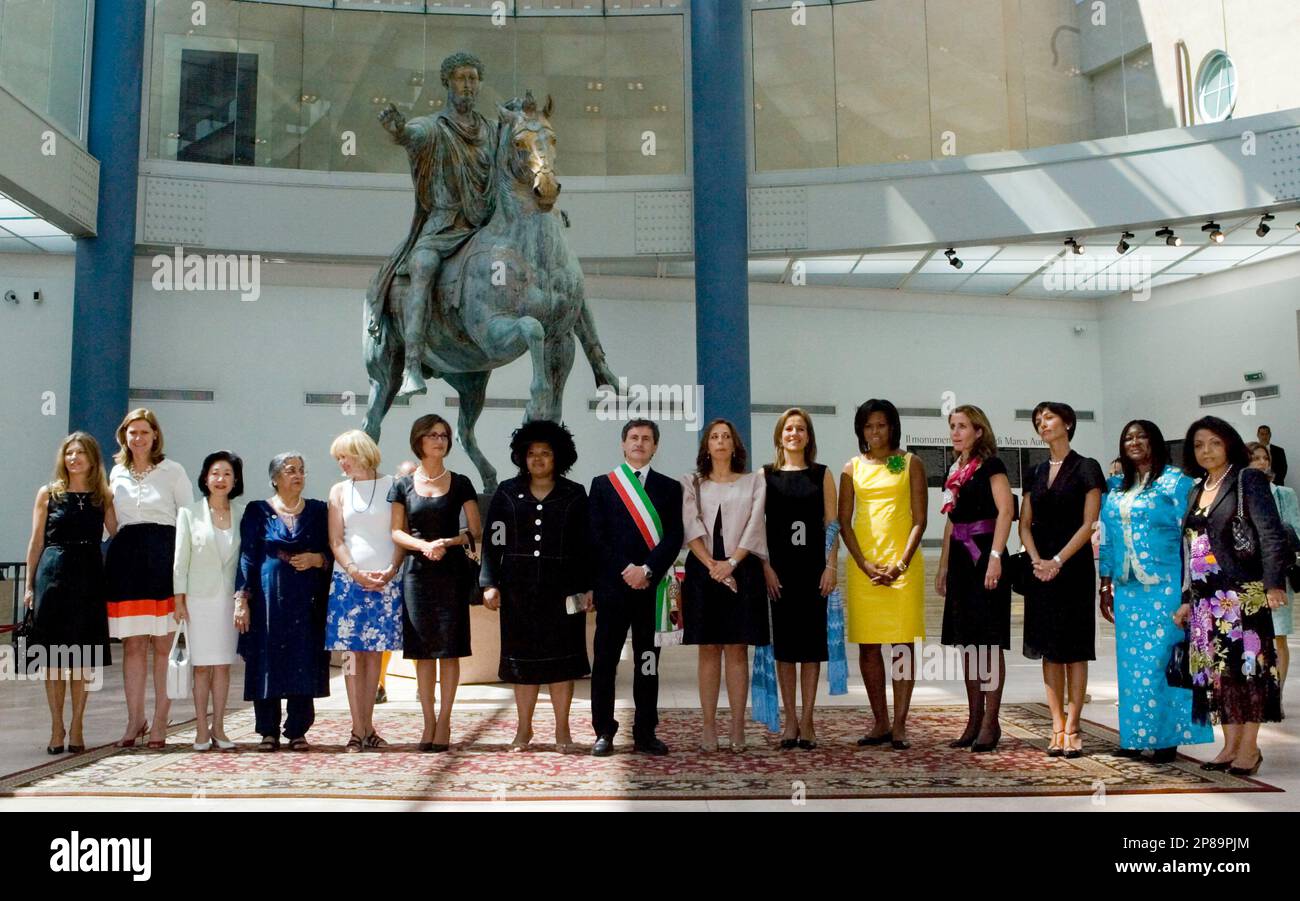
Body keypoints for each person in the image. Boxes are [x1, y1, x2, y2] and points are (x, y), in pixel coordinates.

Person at [369, 51, 497, 398]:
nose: (468, 85)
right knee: (422, 266)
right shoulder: (433, 126)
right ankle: (412, 365)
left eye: (473, 78)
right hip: (444, 225)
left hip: (485, 227)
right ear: (447, 82)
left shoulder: (492, 131)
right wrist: (398, 129)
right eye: (461, 78)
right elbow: (411, 135)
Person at [1178, 418, 1288, 775]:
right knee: (1217, 676)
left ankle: (1249, 750)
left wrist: (1273, 585)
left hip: (1242, 594)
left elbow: (1271, 534)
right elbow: (1190, 548)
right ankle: (1229, 747)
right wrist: (1186, 598)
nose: (1206, 450)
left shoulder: (1247, 479)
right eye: (1198, 445)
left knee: (1248, 672)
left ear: (1229, 444)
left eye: (1214, 443)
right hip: (1204, 601)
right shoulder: (1196, 489)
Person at [1098, 421, 1212, 762]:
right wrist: (1105, 583)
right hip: (1128, 591)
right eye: (1128, 438)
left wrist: (1190, 591)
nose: (1134, 442)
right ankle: (1134, 737)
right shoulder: (1116, 487)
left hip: (1166, 588)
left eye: (1141, 436)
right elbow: (1106, 537)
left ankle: (1166, 737)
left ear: (1156, 442)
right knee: (1132, 667)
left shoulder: (1176, 482)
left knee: (1163, 663)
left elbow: (1194, 536)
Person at [481, 420, 591, 752]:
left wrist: (588, 587)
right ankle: (523, 730)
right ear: (522, 457)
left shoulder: (575, 493)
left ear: (559, 457)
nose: (538, 459)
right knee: (522, 663)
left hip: (565, 590)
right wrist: (489, 582)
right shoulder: (506, 492)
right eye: (532, 453)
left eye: (545, 453)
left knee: (563, 662)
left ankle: (562, 731)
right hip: (518, 589)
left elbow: (586, 544)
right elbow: (493, 540)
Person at [588, 419, 684, 757]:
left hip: (651, 589)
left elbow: (675, 536)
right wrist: (625, 569)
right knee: (605, 662)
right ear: (622, 444)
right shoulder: (602, 485)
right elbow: (595, 536)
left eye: (646, 439)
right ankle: (603, 731)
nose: (639, 443)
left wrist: (647, 569)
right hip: (613, 589)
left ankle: (645, 731)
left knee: (647, 661)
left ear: (655, 446)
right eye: (633, 438)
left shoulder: (670, 488)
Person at [1020, 401, 1106, 759]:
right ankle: (1055, 725)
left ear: (1068, 422)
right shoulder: (1036, 470)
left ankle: (1074, 724)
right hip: (1041, 569)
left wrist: (1057, 560)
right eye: (1038, 421)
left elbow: (1089, 524)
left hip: (1073, 568)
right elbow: (1024, 523)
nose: (1043, 424)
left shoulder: (1087, 467)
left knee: (1073, 650)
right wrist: (1038, 559)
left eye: (1049, 418)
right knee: (1049, 651)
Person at [840, 399, 927, 750]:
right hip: (865, 568)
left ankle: (902, 723)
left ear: (892, 427)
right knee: (868, 645)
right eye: (868, 426)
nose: (875, 432)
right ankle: (880, 721)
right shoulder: (853, 468)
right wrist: (863, 563)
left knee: (902, 642)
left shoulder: (908, 462)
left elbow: (920, 519)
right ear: (861, 430)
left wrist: (901, 563)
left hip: (902, 568)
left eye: (881, 425)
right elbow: (844, 521)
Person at [105, 409, 193, 749]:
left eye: (144, 432)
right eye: (132, 432)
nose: (138, 438)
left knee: (163, 646)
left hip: (164, 558)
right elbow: (110, 523)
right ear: (124, 437)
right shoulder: (116, 473)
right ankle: (134, 720)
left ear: (155, 435)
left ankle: (160, 721)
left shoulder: (173, 471)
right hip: (127, 561)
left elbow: (187, 519)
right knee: (134, 645)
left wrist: (184, 572)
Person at [390, 417, 480, 752]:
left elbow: (475, 530)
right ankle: (427, 720)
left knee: (449, 649)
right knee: (422, 652)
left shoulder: (461, 482)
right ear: (419, 441)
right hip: (416, 573)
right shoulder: (402, 484)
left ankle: (445, 720)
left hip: (451, 572)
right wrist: (423, 545)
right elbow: (396, 532)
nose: (439, 440)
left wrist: (449, 540)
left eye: (444, 435)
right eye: (432, 435)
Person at [23, 433, 116, 754]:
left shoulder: (102, 496)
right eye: (69, 453)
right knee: (52, 660)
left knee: (81, 660)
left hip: (88, 579)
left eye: (80, 453)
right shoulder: (48, 494)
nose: (74, 458)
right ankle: (55, 726)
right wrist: (28, 585)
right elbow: (36, 542)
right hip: (52, 575)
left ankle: (77, 725)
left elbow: (117, 532)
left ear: (92, 459)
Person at [681, 419, 768, 752]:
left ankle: (736, 727)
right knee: (708, 650)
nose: (719, 441)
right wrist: (713, 566)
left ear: (735, 445)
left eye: (726, 437)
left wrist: (731, 563)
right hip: (704, 570)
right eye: (714, 437)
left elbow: (755, 524)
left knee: (736, 649)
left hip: (742, 571)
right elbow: (690, 524)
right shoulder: (691, 482)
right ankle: (708, 727)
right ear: (706, 446)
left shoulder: (753, 482)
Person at [235, 453, 332, 752]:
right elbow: (248, 556)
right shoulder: (257, 511)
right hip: (268, 599)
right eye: (290, 470)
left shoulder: (317, 511)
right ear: (275, 477)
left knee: (303, 659)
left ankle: (298, 730)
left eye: (301, 470)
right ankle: (268, 731)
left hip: (306, 599)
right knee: (267, 659)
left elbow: (333, 548)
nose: (298, 475)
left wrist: (318, 559)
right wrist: (242, 599)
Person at [934, 405, 1014, 753]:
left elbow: (1006, 510)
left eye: (962, 426)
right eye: (952, 426)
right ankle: (972, 717)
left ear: (978, 431)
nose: (956, 431)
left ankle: (990, 722)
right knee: (968, 644)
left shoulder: (991, 465)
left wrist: (996, 557)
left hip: (986, 555)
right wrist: (943, 566)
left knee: (989, 642)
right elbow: (952, 520)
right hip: (962, 562)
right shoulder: (955, 470)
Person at [762, 408, 837, 750]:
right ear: (780, 435)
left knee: (810, 648)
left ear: (809, 436)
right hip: (779, 572)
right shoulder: (765, 475)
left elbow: (832, 525)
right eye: (789, 428)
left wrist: (831, 565)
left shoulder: (822, 475)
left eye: (801, 429)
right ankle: (789, 718)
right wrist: (765, 566)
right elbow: (756, 526)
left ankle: (808, 718)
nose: (794, 433)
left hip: (812, 570)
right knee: (786, 649)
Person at [326, 431, 404, 752]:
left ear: (362, 453)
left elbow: (400, 533)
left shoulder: (394, 486)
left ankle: (368, 726)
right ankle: (356, 728)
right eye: (338, 458)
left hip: (385, 580)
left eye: (345, 456)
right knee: (350, 656)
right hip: (348, 583)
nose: (341, 463)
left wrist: (392, 569)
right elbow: (336, 540)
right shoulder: (338, 491)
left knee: (374, 655)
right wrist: (354, 572)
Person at [173, 451, 245, 752]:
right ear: (205, 478)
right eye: (215, 473)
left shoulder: (243, 513)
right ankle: (201, 727)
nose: (220, 479)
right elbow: (180, 561)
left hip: (230, 601)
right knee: (202, 667)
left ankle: (220, 727)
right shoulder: (189, 513)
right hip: (198, 600)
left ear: (235, 480)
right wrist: (179, 600)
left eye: (227, 474)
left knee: (223, 666)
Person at [1248, 441, 1300, 687]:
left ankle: (1275, 694)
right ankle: (1258, 691)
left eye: (1264, 458)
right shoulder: (1239, 494)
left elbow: (1296, 530)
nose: (1261, 462)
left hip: (1277, 573)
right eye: (1255, 458)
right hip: (1247, 577)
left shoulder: (1283, 494)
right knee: (1253, 637)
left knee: (1278, 635)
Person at [376, 459, 421, 705]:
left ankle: (421, 688)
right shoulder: (389, 503)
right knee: (385, 633)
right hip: (390, 572)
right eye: (405, 477)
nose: (409, 481)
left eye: (414, 475)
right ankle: (379, 685)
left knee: (417, 631)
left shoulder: (429, 499)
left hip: (417, 572)